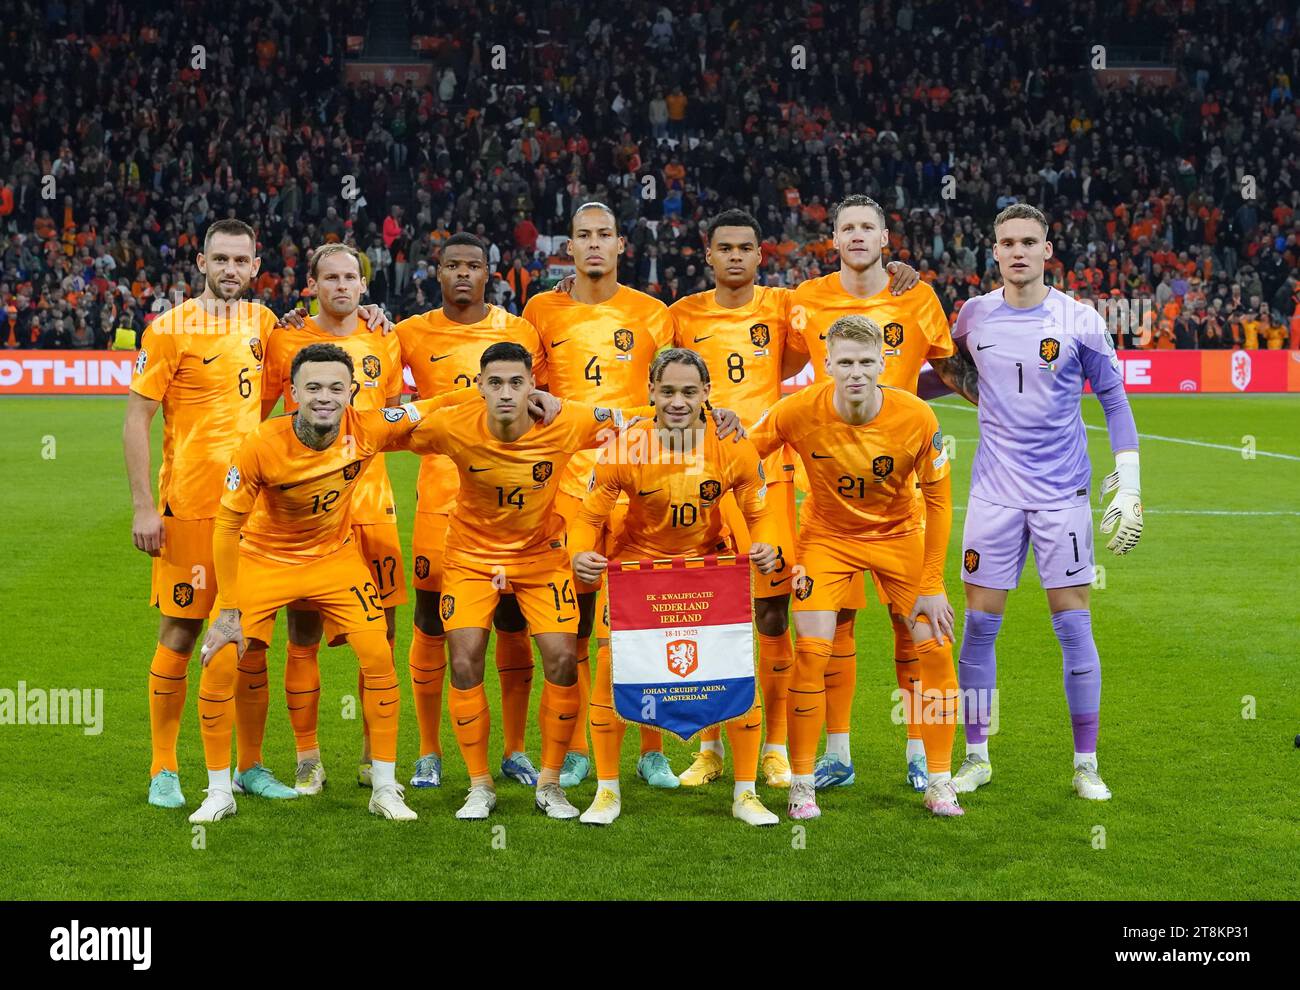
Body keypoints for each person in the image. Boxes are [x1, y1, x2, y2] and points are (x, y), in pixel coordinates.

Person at [667, 207, 918, 789]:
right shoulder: (679, 317)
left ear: (760, 256)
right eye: (723, 247)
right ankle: (710, 748)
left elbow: (851, 312)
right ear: (708, 255)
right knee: (709, 613)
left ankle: (776, 747)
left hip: (771, 480)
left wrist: (895, 271)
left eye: (745, 247)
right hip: (699, 480)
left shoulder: (786, 306)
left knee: (773, 613)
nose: (734, 256)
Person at [192, 342, 472, 823]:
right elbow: (226, 527)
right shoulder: (260, 443)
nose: (325, 397)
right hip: (263, 558)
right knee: (220, 659)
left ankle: (384, 786)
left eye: (336, 388)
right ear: (294, 392)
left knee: (379, 654)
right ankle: (219, 791)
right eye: (314, 387)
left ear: (352, 392)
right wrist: (230, 611)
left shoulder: (367, 427)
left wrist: (508, 397)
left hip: (334, 559)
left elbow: (437, 404)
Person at [400, 342, 644, 821]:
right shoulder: (454, 424)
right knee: (465, 659)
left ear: (534, 384)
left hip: (540, 557)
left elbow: (635, 417)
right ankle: (479, 785)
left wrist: (709, 413)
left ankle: (550, 784)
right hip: (471, 557)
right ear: (480, 387)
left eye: (516, 382)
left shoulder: (565, 420)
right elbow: (384, 431)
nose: (506, 392)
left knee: (561, 660)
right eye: (495, 383)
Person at [949, 203, 1143, 803]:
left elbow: (1114, 399)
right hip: (994, 493)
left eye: (1028, 241)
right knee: (980, 626)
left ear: (1048, 249)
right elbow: (942, 365)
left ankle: (1086, 764)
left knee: (1073, 624)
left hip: (1062, 494)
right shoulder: (973, 315)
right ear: (995, 251)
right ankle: (976, 756)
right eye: (1006, 242)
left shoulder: (1079, 319)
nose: (1017, 251)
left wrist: (1130, 483)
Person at [786, 194, 971, 793]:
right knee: (827, 631)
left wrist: (1008, 409)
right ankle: (834, 754)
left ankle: (922, 754)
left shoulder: (916, 295)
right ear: (832, 239)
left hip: (900, 503)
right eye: (847, 227)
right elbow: (769, 363)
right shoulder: (804, 300)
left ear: (887, 239)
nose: (858, 235)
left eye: (869, 226)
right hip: (829, 500)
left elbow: (949, 370)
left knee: (913, 631)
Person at [748, 315, 962, 819]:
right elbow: (739, 458)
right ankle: (803, 783)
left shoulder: (917, 418)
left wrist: (932, 582)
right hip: (828, 540)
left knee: (934, 647)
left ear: (883, 364)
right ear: (827, 366)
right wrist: (748, 527)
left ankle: (939, 779)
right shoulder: (797, 411)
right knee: (814, 651)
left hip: (900, 536)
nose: (856, 373)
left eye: (866, 362)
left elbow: (940, 502)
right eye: (845, 362)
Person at [570, 349, 783, 826]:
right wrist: (579, 553)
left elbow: (760, 511)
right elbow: (588, 516)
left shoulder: (731, 443)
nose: (678, 401)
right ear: (650, 392)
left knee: (733, 675)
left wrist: (767, 545)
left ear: (707, 393)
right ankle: (606, 792)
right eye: (668, 391)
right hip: (638, 573)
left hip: (707, 571)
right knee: (611, 672)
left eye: (689, 392)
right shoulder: (627, 446)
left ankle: (746, 794)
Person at [521, 202, 678, 789]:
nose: (593, 244)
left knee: (645, 625)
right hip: (565, 490)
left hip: (638, 486)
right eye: (582, 235)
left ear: (620, 245)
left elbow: (671, 402)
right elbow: (532, 395)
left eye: (604, 235)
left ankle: (652, 747)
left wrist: (601, 415)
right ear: (569, 247)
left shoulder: (653, 314)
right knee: (575, 626)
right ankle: (584, 743)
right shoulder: (541, 309)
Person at [394, 232, 550, 790]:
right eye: (452, 265)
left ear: (491, 272)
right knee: (432, 621)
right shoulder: (409, 333)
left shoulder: (519, 332)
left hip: (510, 505)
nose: (463, 274)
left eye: (474, 266)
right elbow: (392, 408)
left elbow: (543, 406)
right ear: (436, 272)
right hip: (439, 502)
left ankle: (513, 750)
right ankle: (429, 751)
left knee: (512, 620)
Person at [259, 244, 404, 795]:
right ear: (311, 284)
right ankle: (307, 757)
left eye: (351, 277)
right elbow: (265, 418)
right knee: (304, 634)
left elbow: (395, 415)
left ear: (363, 285)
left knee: (382, 637)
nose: (342, 286)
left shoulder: (385, 337)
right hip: (308, 514)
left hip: (373, 506)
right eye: (331, 277)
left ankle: (373, 757)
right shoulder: (285, 339)